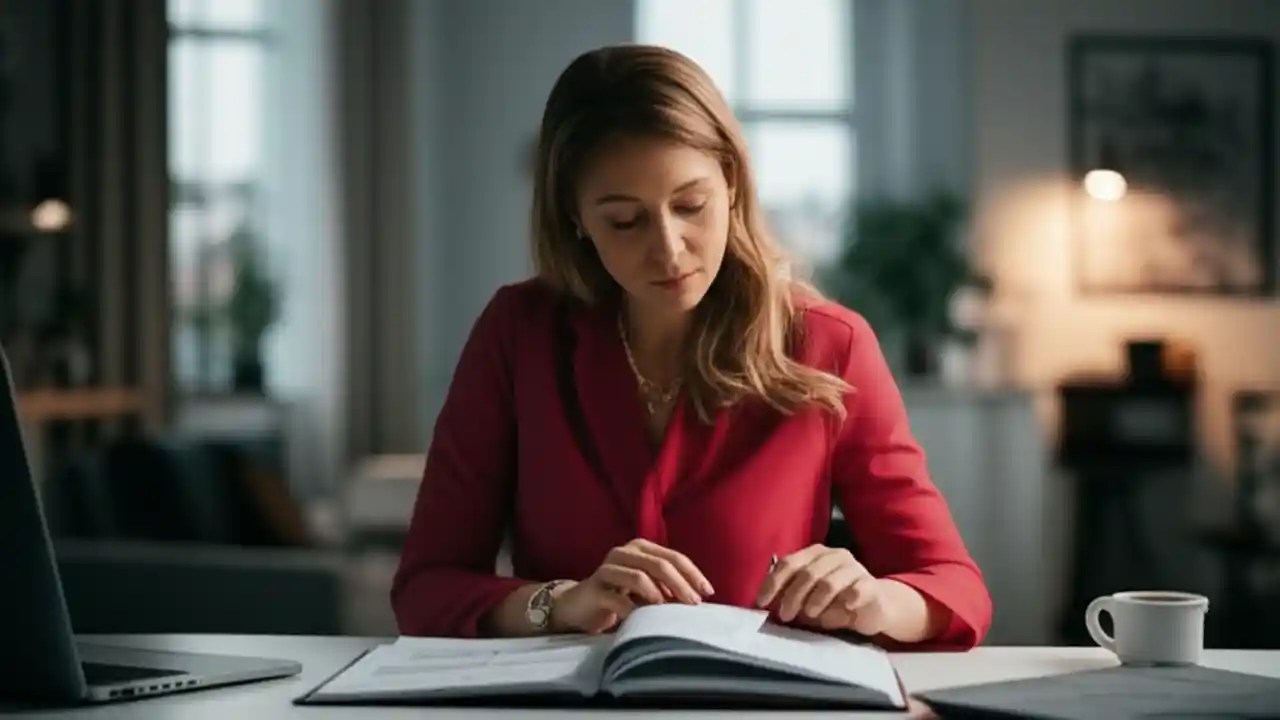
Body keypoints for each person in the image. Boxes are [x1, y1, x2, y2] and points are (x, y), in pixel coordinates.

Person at [392, 44, 991, 650]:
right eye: (625, 221)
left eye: (690, 206)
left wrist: (877, 600)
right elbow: (424, 588)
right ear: (574, 216)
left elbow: (955, 589)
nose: (670, 249)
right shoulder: (516, 335)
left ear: (731, 182)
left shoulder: (828, 343)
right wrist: (557, 602)